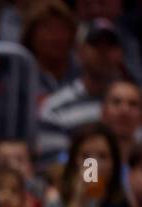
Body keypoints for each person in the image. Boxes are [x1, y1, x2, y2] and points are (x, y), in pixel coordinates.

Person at [36, 19, 127, 168]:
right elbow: (52, 166)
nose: (103, 53)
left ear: (121, 53)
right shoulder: (55, 107)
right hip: (81, 185)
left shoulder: (134, 102)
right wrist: (96, 181)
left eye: (111, 45)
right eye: (95, 45)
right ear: (79, 52)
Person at [43, 122, 124, 207]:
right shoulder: (56, 204)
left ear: (114, 163)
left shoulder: (125, 205)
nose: (94, 164)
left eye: (102, 156)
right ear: (74, 161)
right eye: (86, 156)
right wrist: (77, 200)